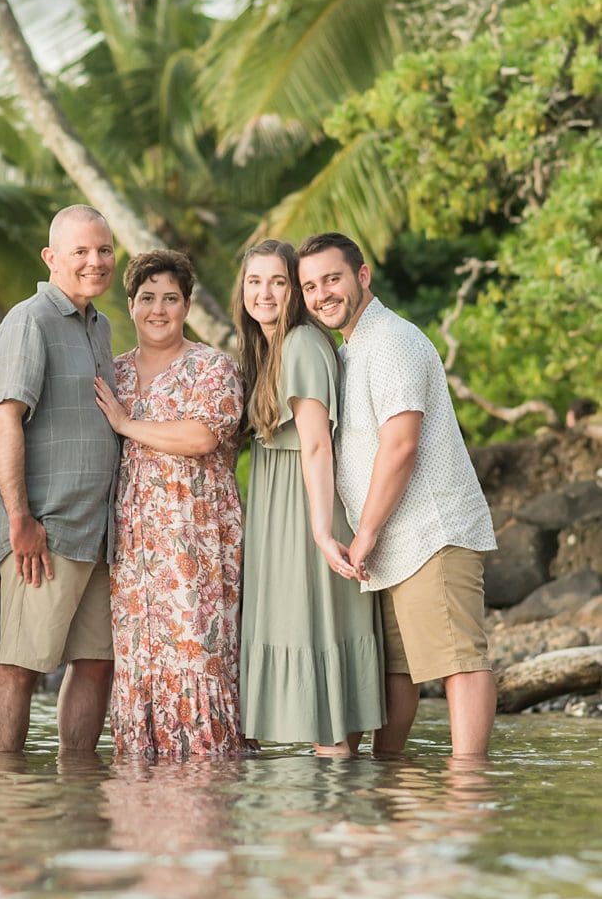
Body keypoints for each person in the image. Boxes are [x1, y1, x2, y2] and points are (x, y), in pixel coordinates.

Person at [296, 233, 498, 759]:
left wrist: (365, 532)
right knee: (397, 672)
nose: (323, 295)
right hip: (395, 543)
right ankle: (389, 775)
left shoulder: (391, 340)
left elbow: (402, 445)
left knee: (459, 660)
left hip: (431, 532)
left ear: (362, 276)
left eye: (332, 279)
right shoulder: (354, 347)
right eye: (311, 286)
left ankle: (468, 786)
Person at [94, 249, 247, 760]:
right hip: (135, 551)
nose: (158, 309)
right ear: (131, 304)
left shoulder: (212, 367)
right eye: (147, 298)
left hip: (196, 540)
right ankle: (142, 804)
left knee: (199, 655)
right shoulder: (112, 374)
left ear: (186, 306)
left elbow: (203, 436)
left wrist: (127, 425)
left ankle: (208, 793)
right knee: (140, 661)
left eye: (171, 299)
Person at [234, 239, 385, 756]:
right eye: (254, 282)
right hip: (284, 515)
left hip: (306, 517)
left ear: (294, 291)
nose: (265, 293)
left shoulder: (300, 343)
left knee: (322, 683)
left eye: (278, 281)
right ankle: (330, 800)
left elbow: (318, 444)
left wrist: (321, 532)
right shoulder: (271, 348)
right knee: (324, 692)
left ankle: (327, 804)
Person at [0, 205, 121, 753]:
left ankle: (78, 793)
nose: (95, 261)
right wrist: (21, 519)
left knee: (95, 664)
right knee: (20, 664)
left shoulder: (101, 326)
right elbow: (3, 418)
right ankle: (9, 805)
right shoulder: (29, 320)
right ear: (51, 258)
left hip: (100, 535)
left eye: (104, 250)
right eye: (81, 251)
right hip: (47, 534)